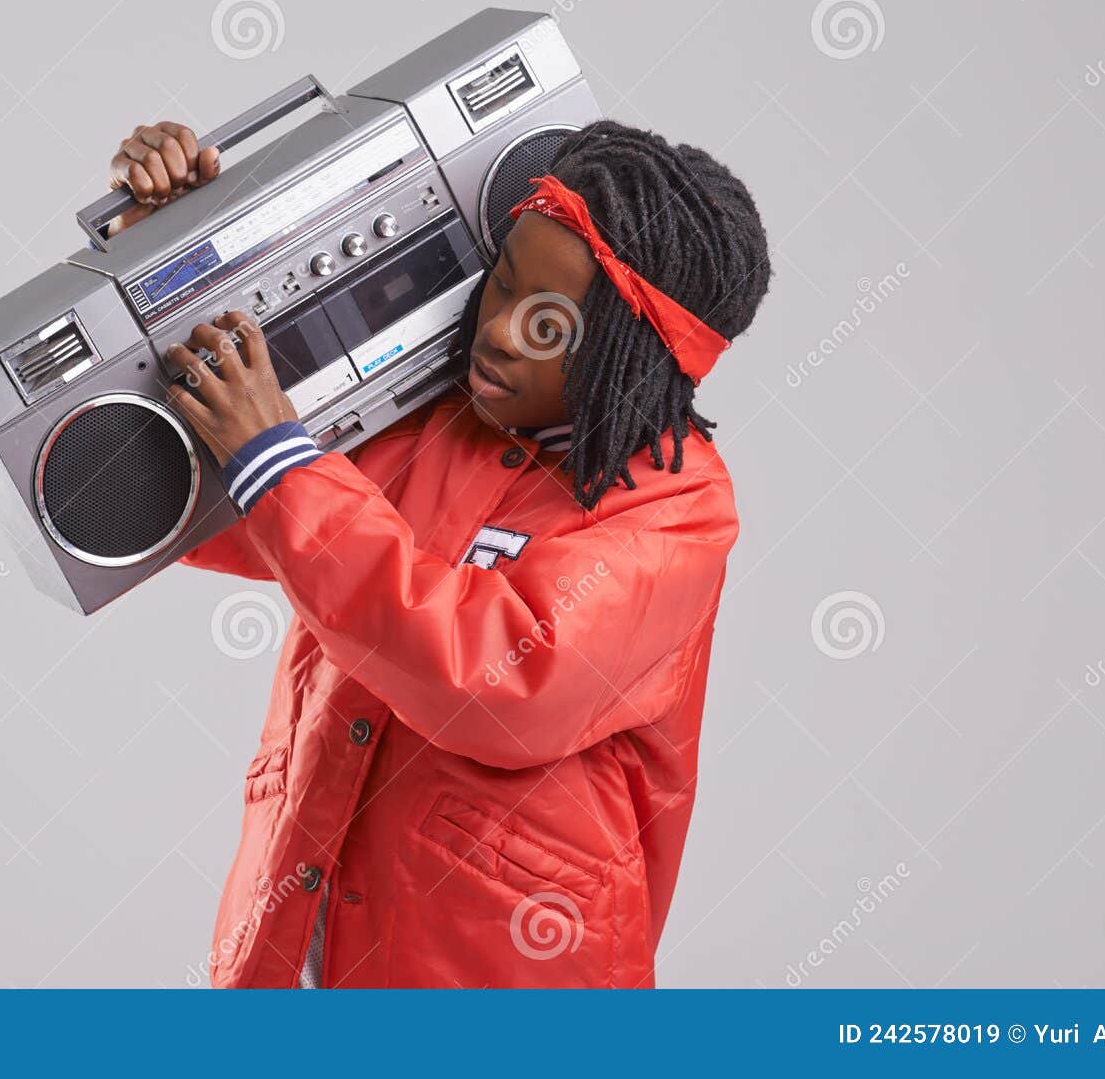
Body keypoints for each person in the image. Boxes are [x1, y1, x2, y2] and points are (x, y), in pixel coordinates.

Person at [105, 115, 771, 987]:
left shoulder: (673, 512)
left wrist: (279, 462)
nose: (498, 331)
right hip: (299, 939)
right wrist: (171, 261)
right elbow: (223, 510)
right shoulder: (436, 425)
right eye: (502, 284)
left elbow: (493, 681)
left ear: (635, 355)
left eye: (552, 326)